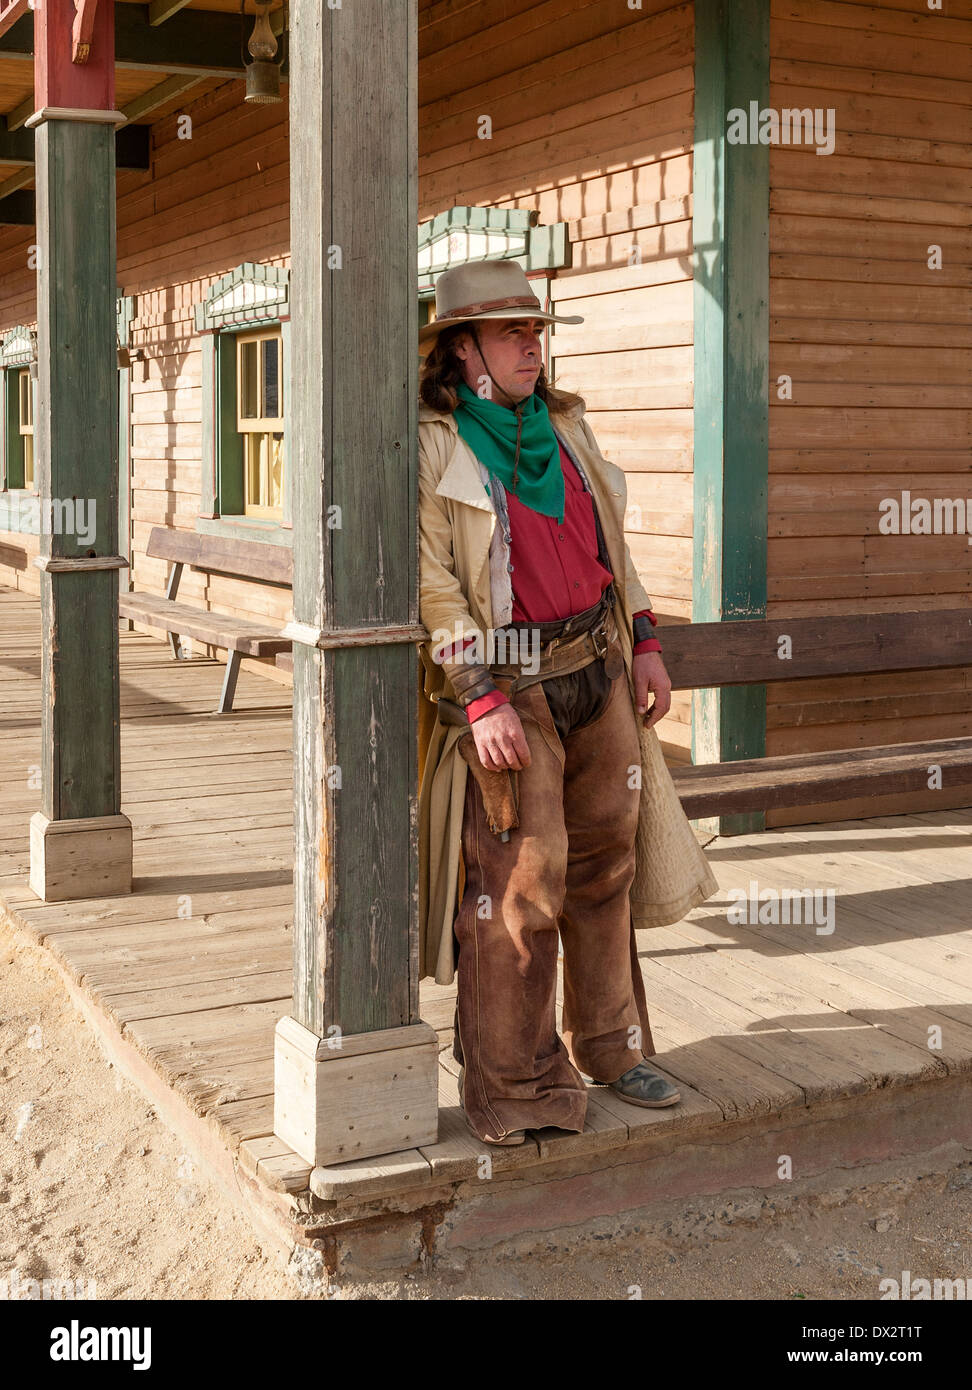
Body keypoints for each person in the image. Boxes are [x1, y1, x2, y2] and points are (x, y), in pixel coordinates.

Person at [417, 259, 718, 1145]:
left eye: (536, 332)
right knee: (521, 885)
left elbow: (611, 553)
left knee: (605, 870)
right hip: (510, 691)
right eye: (512, 333)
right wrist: (476, 693)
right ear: (461, 348)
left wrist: (647, 643)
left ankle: (613, 1048)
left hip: (601, 674)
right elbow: (431, 583)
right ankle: (514, 1086)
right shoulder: (436, 443)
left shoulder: (565, 429)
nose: (532, 347)